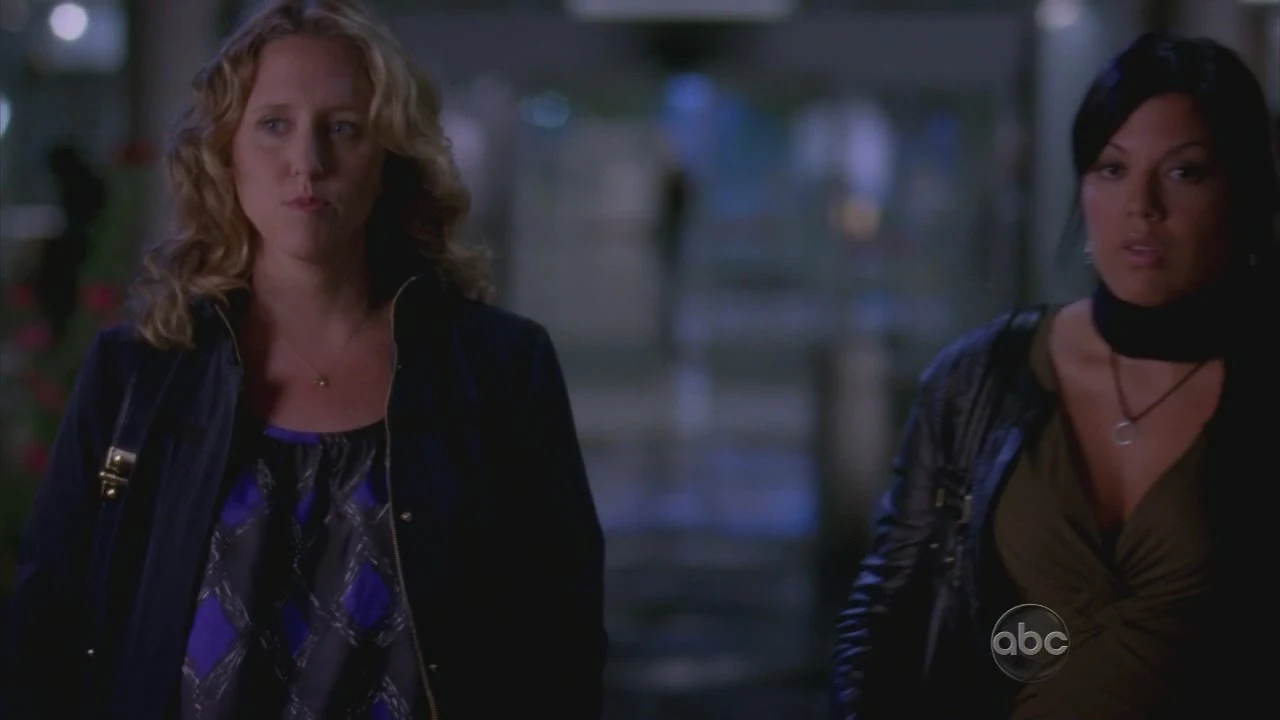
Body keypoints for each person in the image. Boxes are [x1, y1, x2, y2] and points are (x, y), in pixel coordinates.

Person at [2, 1, 606, 718]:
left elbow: (561, 639)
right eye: (273, 125)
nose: (308, 164)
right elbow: (49, 625)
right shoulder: (139, 372)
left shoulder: (501, 370)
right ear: (225, 151)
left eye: (343, 128)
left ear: (389, 156)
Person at [830, 33, 1278, 720]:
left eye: (1184, 172)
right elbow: (891, 604)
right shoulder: (982, 378)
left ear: (1241, 191)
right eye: (1111, 168)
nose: (1141, 205)